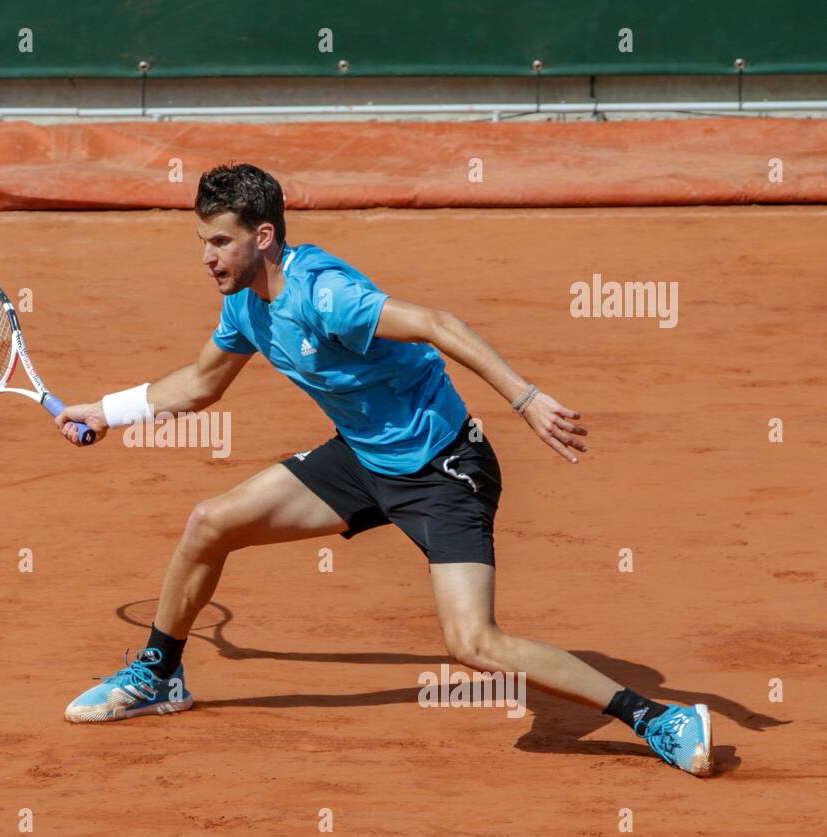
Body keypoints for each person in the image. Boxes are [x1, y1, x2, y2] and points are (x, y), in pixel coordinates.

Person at [53, 163, 711, 777]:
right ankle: (159, 674)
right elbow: (199, 385)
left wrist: (525, 397)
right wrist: (106, 411)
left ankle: (655, 717)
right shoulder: (246, 304)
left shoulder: (326, 294)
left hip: (442, 468)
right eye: (202, 241)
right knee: (209, 523)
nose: (207, 257)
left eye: (220, 242)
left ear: (264, 235)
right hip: (363, 458)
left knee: (474, 643)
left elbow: (434, 322)